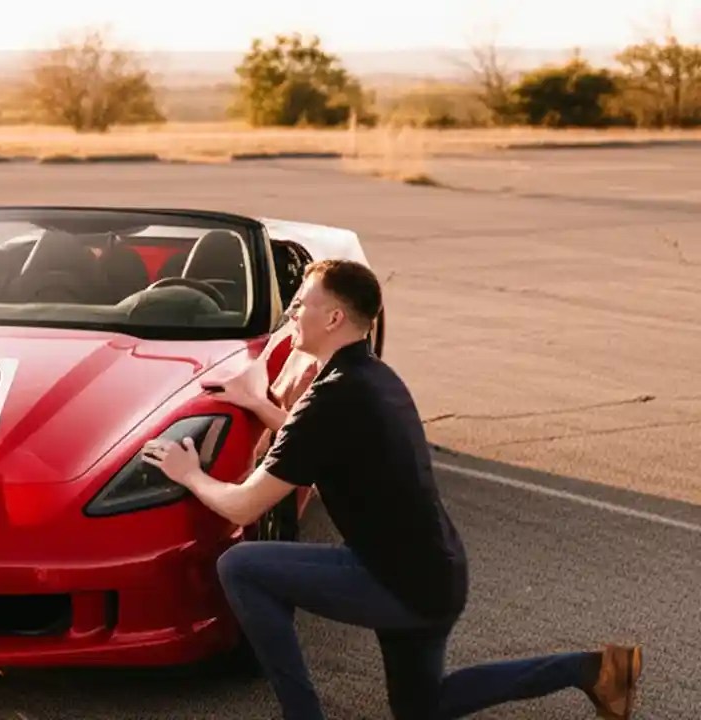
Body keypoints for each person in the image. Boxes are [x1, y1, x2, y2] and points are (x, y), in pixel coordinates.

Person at [142, 259, 643, 720]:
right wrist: (260, 406)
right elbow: (316, 442)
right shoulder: (373, 378)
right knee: (422, 708)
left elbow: (244, 504)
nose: (292, 313)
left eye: (301, 304)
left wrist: (191, 474)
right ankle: (594, 670)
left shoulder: (330, 401)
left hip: (393, 583)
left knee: (240, 566)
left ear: (334, 318)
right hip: (437, 574)